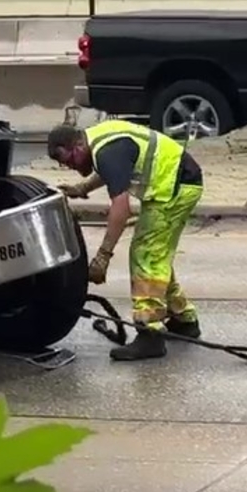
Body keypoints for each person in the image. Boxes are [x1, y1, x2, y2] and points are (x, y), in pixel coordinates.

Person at [47, 119, 204, 361]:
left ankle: (149, 333)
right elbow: (114, 171)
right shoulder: (97, 140)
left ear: (78, 145)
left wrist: (103, 256)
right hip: (178, 179)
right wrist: (83, 187)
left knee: (145, 256)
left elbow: (121, 209)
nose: (68, 166)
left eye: (68, 160)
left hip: (175, 186)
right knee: (155, 256)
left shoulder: (107, 152)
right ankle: (184, 320)